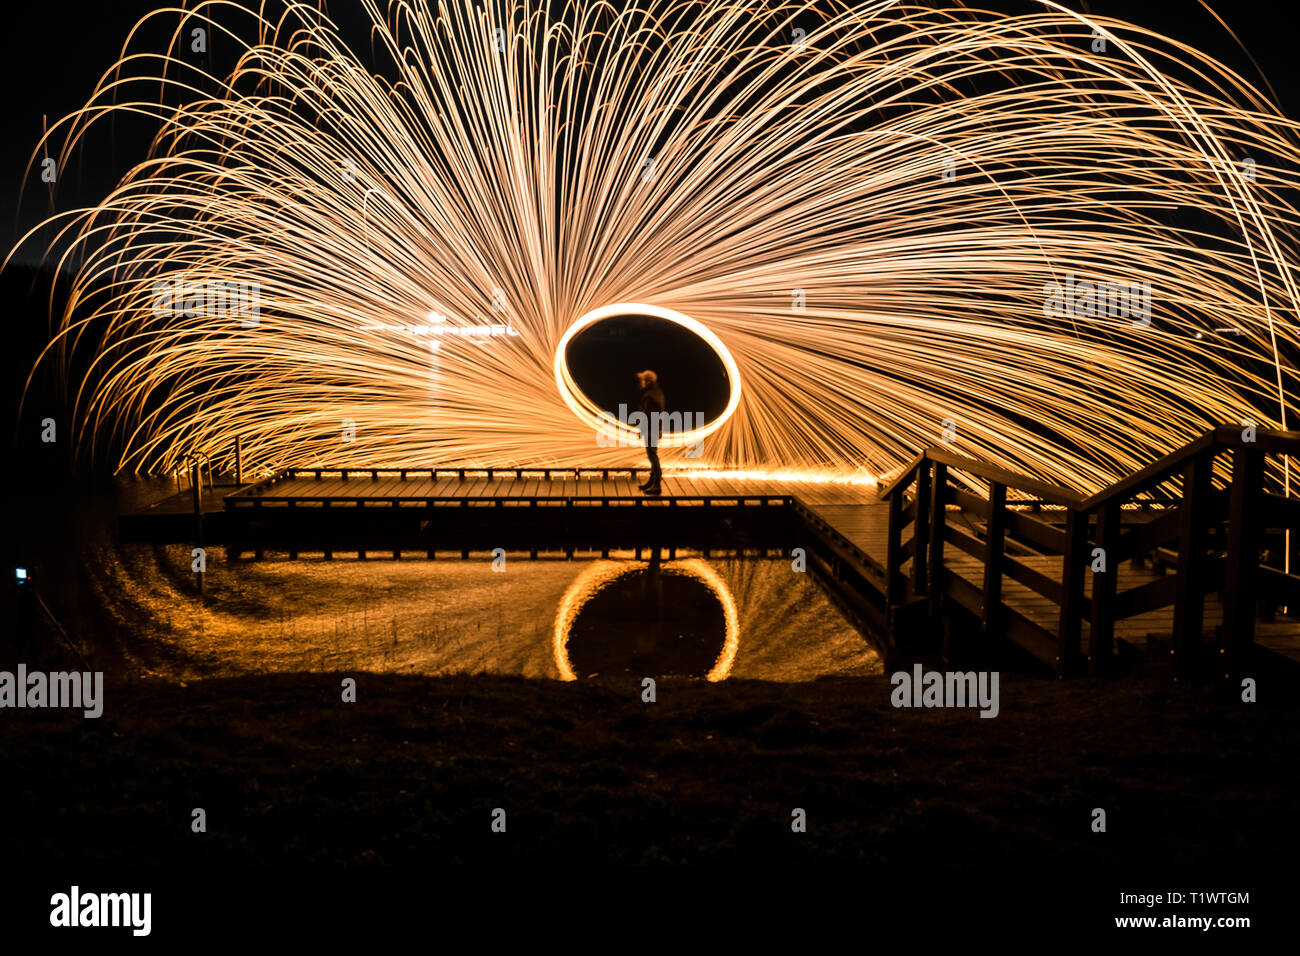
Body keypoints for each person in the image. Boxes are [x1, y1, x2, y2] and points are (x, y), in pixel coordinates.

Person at [636, 369, 665, 494]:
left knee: (653, 456)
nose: (641, 382)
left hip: (650, 429)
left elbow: (647, 414)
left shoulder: (650, 395)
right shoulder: (656, 392)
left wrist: (641, 429)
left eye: (643, 380)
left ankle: (657, 485)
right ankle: (652, 481)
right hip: (655, 428)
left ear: (647, 381)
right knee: (652, 455)